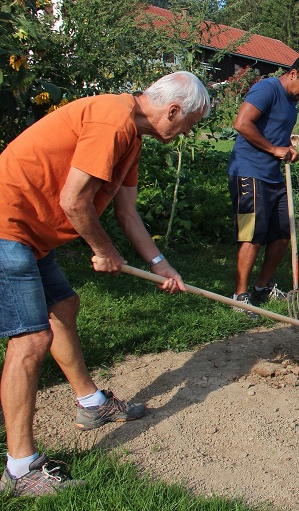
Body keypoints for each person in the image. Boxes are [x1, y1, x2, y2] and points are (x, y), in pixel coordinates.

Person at [0, 71, 210, 496]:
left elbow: (127, 214)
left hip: (33, 232)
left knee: (65, 307)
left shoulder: (131, 134)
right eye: (189, 124)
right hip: (7, 223)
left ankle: (92, 406)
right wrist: (104, 251)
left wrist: (161, 264)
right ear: (172, 111)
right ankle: (20, 469)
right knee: (30, 341)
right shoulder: (112, 121)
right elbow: (74, 201)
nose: (188, 132)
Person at [227, 55, 299, 312]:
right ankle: (240, 296)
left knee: (283, 233)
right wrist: (273, 149)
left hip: (274, 176)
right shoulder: (266, 88)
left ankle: (263, 287)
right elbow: (242, 123)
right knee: (252, 235)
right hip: (250, 172)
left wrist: (289, 148)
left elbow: (276, 134)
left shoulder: (291, 102)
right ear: (293, 74)